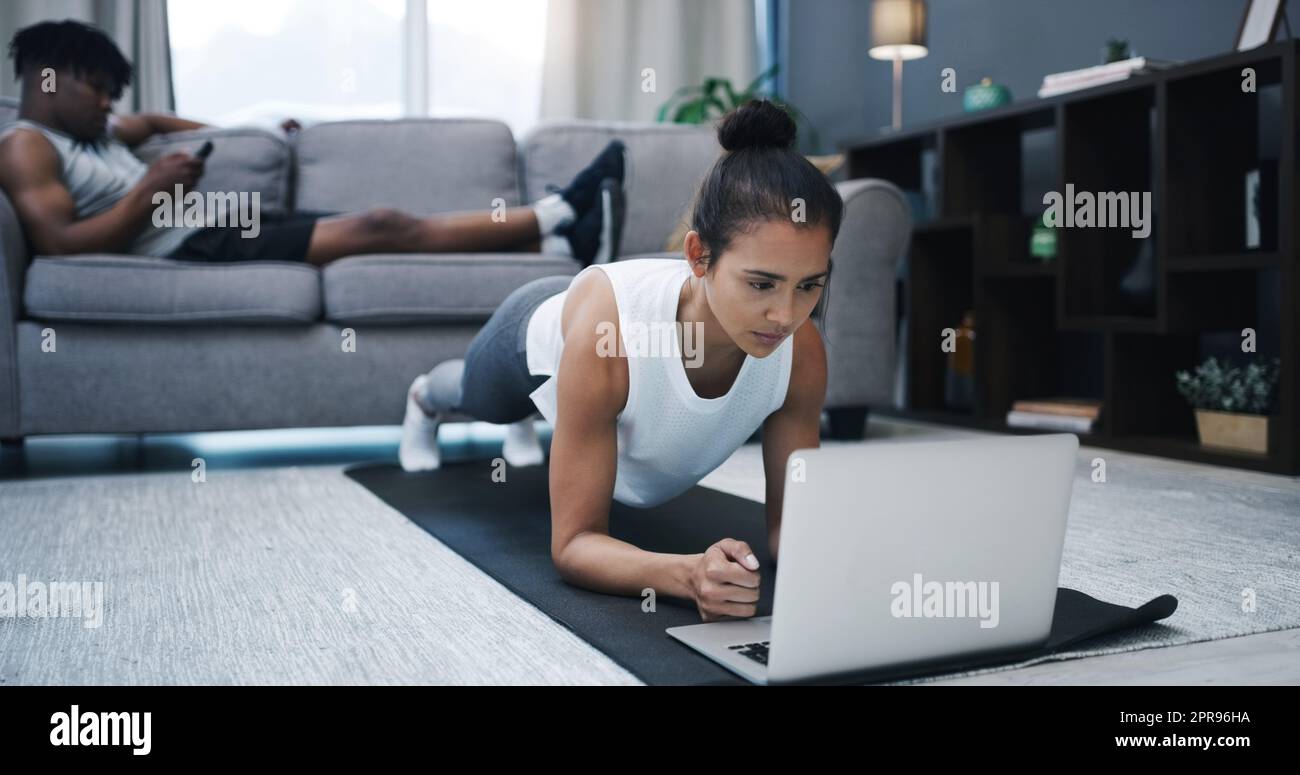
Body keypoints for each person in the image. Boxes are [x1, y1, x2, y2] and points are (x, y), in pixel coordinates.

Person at [399, 99, 842, 622]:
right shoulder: (612, 337)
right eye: (761, 283)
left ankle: (536, 418)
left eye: (809, 286)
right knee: (474, 396)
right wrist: (686, 574)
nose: (785, 315)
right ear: (698, 255)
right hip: (537, 330)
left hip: (596, 341)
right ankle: (426, 397)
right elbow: (574, 544)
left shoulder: (802, 354)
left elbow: (788, 530)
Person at [0, 20, 624, 267]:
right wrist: (147, 192)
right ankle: (560, 209)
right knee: (381, 223)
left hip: (226, 220)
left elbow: (157, 120)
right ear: (47, 76)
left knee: (387, 223)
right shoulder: (27, 147)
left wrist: (247, 134)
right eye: (99, 89)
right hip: (195, 242)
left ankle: (555, 238)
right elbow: (56, 243)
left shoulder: (101, 129)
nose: (110, 104)